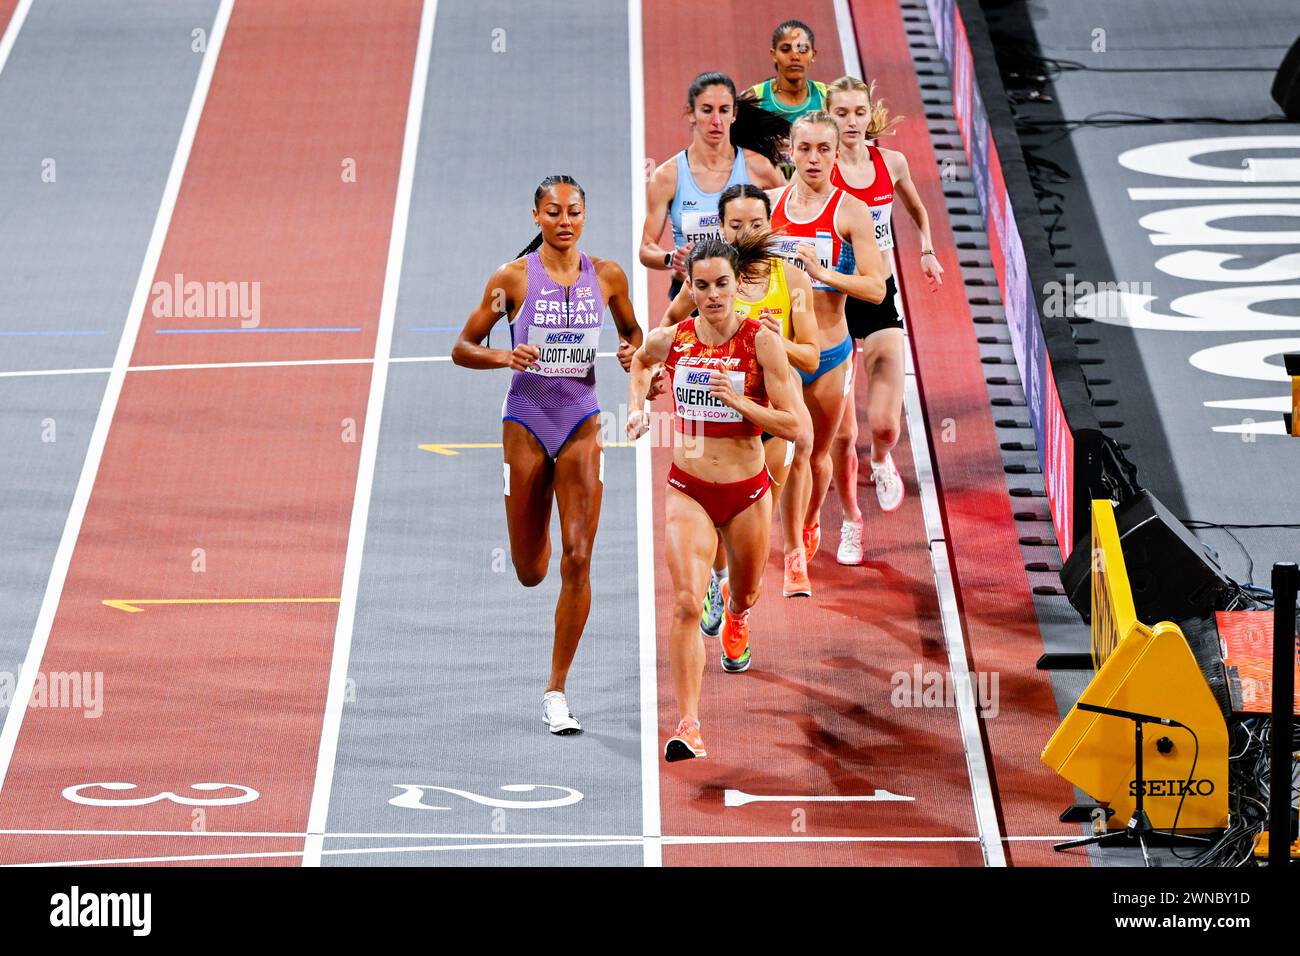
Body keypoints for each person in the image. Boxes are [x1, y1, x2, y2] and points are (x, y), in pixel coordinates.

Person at [452, 175, 643, 735]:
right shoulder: (510, 279)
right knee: (531, 571)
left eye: (575, 211)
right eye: (554, 212)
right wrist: (506, 357)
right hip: (527, 423)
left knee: (578, 556)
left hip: (582, 420)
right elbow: (462, 348)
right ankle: (528, 554)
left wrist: (632, 355)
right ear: (536, 216)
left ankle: (556, 690)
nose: (565, 220)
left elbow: (632, 334)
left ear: (586, 215)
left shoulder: (607, 277)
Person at [628, 235, 801, 762]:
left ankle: (737, 614)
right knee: (683, 603)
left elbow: (793, 424)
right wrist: (639, 405)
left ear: (737, 284)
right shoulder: (673, 339)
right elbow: (639, 361)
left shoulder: (762, 342)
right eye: (700, 286)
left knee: (746, 594)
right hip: (690, 487)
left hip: (748, 493)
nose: (712, 295)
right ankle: (689, 724)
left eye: (721, 284)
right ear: (691, 288)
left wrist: (744, 404)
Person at [660, 184, 817, 604]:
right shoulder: (711, 278)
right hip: (712, 412)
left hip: (768, 409)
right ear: (722, 228)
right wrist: (661, 367)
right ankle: (717, 576)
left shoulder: (791, 278)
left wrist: (765, 341)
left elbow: (811, 357)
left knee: (757, 520)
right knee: (715, 516)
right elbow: (668, 326)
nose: (747, 231)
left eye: (757, 223)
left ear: (771, 224)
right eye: (736, 224)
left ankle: (784, 560)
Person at [825, 77, 944, 564]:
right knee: (841, 430)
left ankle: (880, 460)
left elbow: (916, 206)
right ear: (828, 115)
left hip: (878, 295)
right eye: (841, 113)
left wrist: (927, 249)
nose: (850, 122)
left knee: (886, 423)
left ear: (868, 114)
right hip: (828, 299)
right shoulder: (816, 169)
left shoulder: (890, 163)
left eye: (858, 112)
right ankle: (851, 522)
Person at [767, 111, 886, 568]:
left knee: (817, 453)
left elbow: (875, 288)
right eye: (804, 148)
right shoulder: (769, 206)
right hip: (780, 350)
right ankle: (790, 542)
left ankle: (814, 517)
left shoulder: (850, 211)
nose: (813, 158)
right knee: (787, 448)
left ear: (837, 154)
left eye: (823, 149)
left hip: (831, 353)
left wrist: (823, 274)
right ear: (790, 153)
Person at [640, 72, 787, 305]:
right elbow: (646, 249)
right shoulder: (667, 176)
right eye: (707, 110)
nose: (716, 121)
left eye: (724, 110)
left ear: (734, 114)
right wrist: (672, 259)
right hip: (692, 294)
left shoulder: (760, 168)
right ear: (691, 114)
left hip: (748, 288)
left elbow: (789, 225)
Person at [748, 19, 830, 123]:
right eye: (786, 49)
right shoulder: (754, 100)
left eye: (803, 50)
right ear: (774, 55)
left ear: (813, 55)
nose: (795, 56)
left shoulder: (827, 96)